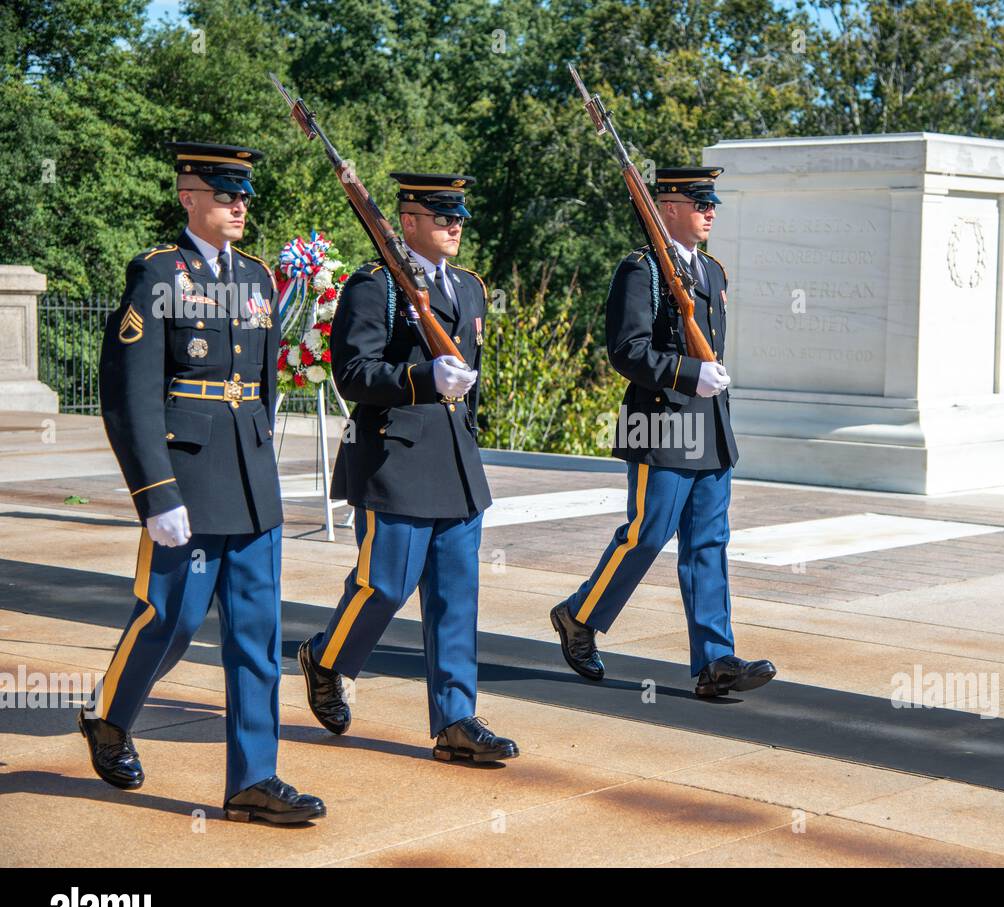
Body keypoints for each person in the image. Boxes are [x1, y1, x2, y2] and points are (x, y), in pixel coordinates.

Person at [84, 141, 325, 824]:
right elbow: (130, 394)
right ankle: (109, 714)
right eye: (224, 194)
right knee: (174, 620)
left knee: (256, 633)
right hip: (186, 479)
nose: (239, 205)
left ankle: (254, 779)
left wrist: (262, 465)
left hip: (250, 481)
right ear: (188, 196)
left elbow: (263, 388)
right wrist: (155, 492)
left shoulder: (255, 277)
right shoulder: (159, 274)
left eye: (244, 194)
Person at [297, 172, 518, 762]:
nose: (456, 226)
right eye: (443, 216)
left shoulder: (469, 287)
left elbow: (470, 374)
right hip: (394, 456)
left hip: (455, 462)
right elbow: (352, 373)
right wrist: (421, 379)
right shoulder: (375, 286)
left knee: (454, 599)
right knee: (385, 585)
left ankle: (456, 720)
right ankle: (326, 659)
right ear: (409, 222)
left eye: (460, 216)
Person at [549, 166, 777, 698]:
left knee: (709, 544)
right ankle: (578, 616)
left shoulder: (713, 272)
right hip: (659, 420)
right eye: (700, 204)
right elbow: (626, 351)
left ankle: (715, 660)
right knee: (648, 534)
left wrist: (710, 380)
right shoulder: (642, 271)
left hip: (709, 426)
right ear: (668, 208)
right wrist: (688, 373)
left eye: (712, 204)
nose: (710, 212)